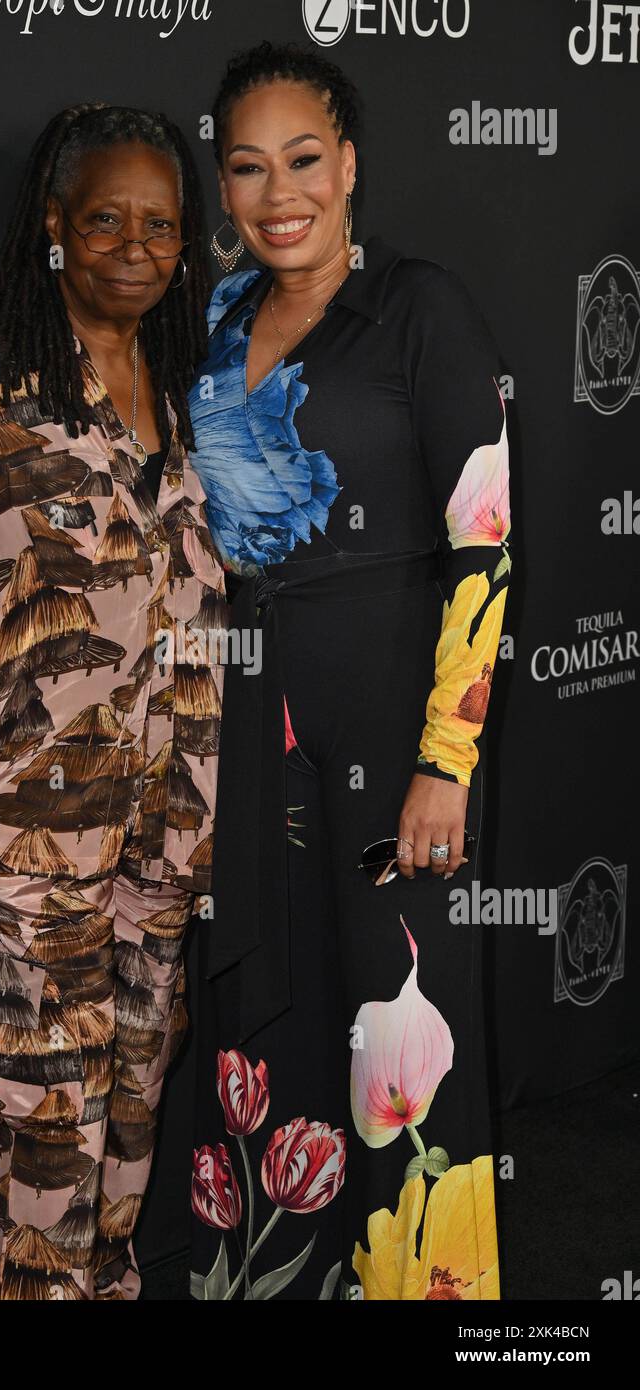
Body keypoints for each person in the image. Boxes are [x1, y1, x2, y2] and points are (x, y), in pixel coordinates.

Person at [0, 103, 227, 1301]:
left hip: (157, 862)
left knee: (119, 1170)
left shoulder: (184, 392)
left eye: (161, 225)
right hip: (29, 876)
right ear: (53, 228)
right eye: (105, 218)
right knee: (40, 1183)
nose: (134, 245)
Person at [187, 43, 509, 1301]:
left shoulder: (425, 308)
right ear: (222, 184)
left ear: (352, 163)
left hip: (390, 728)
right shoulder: (207, 321)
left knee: (396, 1028)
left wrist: (447, 762)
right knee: (264, 1024)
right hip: (241, 730)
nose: (280, 195)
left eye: (305, 160)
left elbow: (484, 547)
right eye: (250, 168)